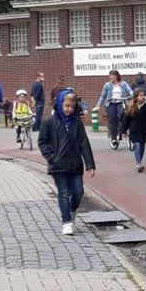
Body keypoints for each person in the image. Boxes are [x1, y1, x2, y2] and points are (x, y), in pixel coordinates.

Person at [38, 89, 96, 236]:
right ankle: (67, 222)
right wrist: (51, 157)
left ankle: (71, 210)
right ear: (59, 104)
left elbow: (84, 143)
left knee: (78, 191)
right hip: (57, 165)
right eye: (66, 106)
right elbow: (42, 141)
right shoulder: (49, 122)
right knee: (63, 193)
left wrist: (90, 164)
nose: (69, 109)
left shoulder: (77, 123)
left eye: (72, 106)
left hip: (75, 164)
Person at [125, 86, 146, 172]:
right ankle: (138, 164)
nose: (142, 97)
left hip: (144, 130)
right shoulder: (131, 107)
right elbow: (126, 119)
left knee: (141, 146)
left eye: (143, 95)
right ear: (136, 97)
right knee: (137, 145)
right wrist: (123, 130)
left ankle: (139, 161)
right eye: (140, 95)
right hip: (134, 130)